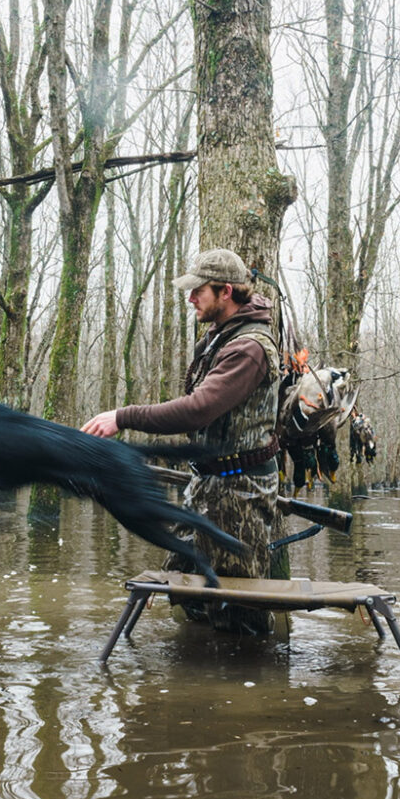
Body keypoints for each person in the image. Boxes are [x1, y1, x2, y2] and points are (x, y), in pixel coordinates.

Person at [82, 249, 282, 603]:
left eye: (198, 291)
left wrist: (122, 417)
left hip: (240, 495)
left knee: (234, 604)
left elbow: (197, 410)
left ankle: (252, 659)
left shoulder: (248, 347)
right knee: (183, 587)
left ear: (226, 292)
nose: (190, 298)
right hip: (208, 487)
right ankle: (194, 658)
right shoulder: (221, 336)